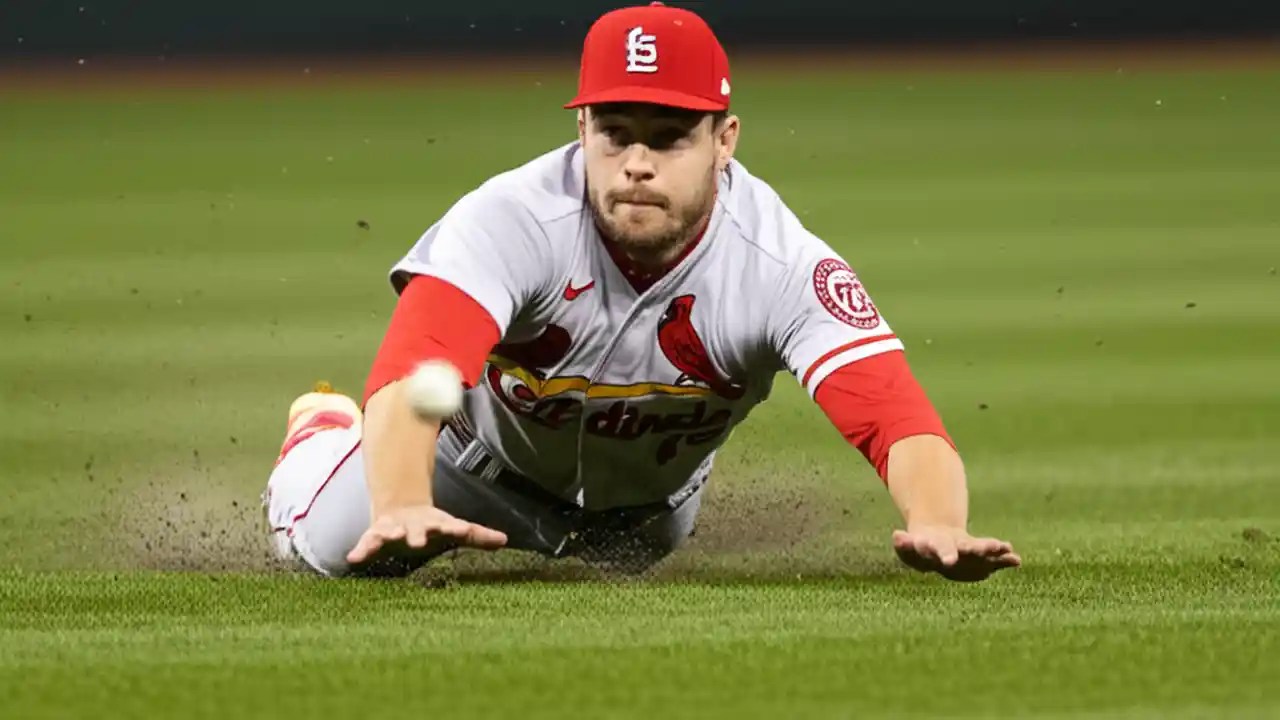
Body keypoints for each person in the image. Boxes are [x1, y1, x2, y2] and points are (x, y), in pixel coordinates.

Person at [263, 2, 1021, 581]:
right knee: (338, 555)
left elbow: (893, 416)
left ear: (725, 141)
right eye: (615, 131)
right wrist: (399, 500)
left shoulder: (778, 261)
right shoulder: (513, 219)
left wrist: (938, 520)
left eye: (667, 136)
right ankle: (322, 434)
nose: (635, 162)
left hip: (643, 526)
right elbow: (414, 367)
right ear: (583, 124)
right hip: (463, 473)